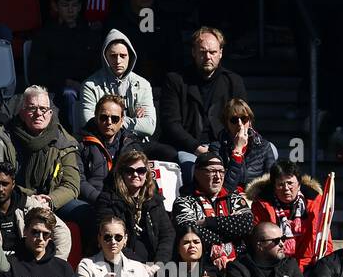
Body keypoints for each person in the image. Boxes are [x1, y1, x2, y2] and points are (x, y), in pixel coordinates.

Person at [160, 27, 248, 176]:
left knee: (269, 150)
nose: (208, 56)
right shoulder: (176, 80)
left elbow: (244, 121)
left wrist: (232, 147)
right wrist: (198, 149)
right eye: (202, 52)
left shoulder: (234, 82)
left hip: (225, 146)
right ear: (193, 52)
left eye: (213, 52)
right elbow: (171, 124)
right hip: (189, 148)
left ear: (220, 53)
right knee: (190, 171)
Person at [0, 86, 81, 219]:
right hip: (13, 199)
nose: (38, 113)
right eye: (32, 108)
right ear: (22, 112)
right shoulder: (3, 138)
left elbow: (71, 185)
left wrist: (49, 200)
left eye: (43, 109)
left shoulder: (64, 142)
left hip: (51, 201)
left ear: (50, 113)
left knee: (84, 212)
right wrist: (30, 198)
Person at [27, 0, 101, 130]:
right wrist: (65, 81)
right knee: (68, 94)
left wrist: (85, 84)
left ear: (80, 7)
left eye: (74, 5)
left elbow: (96, 67)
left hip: (87, 87)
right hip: (56, 91)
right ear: (56, 6)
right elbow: (36, 73)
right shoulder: (45, 35)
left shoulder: (89, 34)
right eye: (65, 6)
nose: (70, 10)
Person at [0, 161, 70, 259]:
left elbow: (61, 230)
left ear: (13, 184)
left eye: (5, 184)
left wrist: (55, 264)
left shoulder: (28, 205)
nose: (0, 189)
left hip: (29, 266)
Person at [95, 148, 173, 268]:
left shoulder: (155, 200)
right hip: (120, 264)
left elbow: (167, 235)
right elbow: (110, 240)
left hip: (155, 265)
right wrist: (140, 268)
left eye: (141, 170)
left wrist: (159, 264)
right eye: (129, 171)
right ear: (122, 174)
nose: (135, 174)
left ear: (147, 174)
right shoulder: (107, 201)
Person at [172, 149, 255, 261]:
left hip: (238, 261)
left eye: (221, 172)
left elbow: (247, 224)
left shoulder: (233, 197)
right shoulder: (184, 201)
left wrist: (208, 222)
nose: (218, 177)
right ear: (197, 173)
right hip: (202, 262)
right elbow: (192, 234)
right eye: (211, 171)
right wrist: (231, 232)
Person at [248, 160, 329, 272]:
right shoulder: (261, 205)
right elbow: (258, 243)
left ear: (299, 184)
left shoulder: (315, 203)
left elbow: (324, 239)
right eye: (280, 184)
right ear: (274, 186)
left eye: (290, 183)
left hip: (309, 266)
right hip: (274, 265)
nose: (286, 188)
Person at [80, 30, 155, 141]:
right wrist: (134, 121)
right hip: (102, 143)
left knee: (169, 153)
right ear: (105, 57)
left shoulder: (143, 84)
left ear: (130, 57)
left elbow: (149, 126)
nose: (118, 60)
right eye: (113, 56)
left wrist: (108, 120)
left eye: (123, 56)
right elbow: (89, 122)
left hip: (137, 142)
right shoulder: (90, 85)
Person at [78, 94, 145, 205]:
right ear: (95, 117)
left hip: (125, 203)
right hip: (92, 203)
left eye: (114, 118)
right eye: (104, 117)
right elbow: (79, 181)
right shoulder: (80, 143)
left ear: (122, 120)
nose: (109, 122)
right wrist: (102, 201)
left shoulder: (132, 145)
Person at [208, 98, 275, 193]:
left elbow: (271, 181)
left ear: (250, 121)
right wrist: (238, 149)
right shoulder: (217, 148)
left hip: (255, 197)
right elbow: (225, 188)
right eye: (234, 120)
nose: (240, 124)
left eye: (244, 119)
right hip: (230, 199)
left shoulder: (263, 146)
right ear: (226, 123)